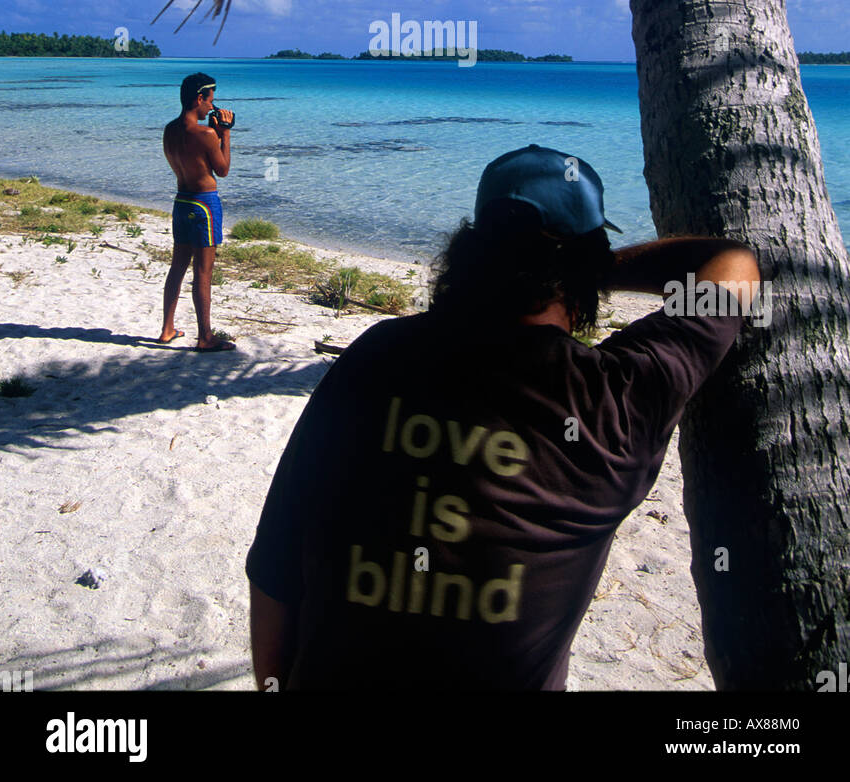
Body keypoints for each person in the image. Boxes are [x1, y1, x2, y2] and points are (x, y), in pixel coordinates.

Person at [246, 143, 762, 689]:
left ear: (470, 251)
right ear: (583, 268)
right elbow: (734, 265)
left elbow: (277, 563)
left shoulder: (378, 356)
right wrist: (588, 269)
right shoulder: (615, 401)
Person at [157, 71, 236, 353]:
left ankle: (167, 328)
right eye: (210, 101)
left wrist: (215, 133)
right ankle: (205, 337)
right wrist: (224, 133)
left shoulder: (169, 130)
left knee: (177, 267)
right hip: (204, 203)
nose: (212, 107)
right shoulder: (204, 134)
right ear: (199, 98)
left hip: (182, 201)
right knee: (203, 273)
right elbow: (223, 170)